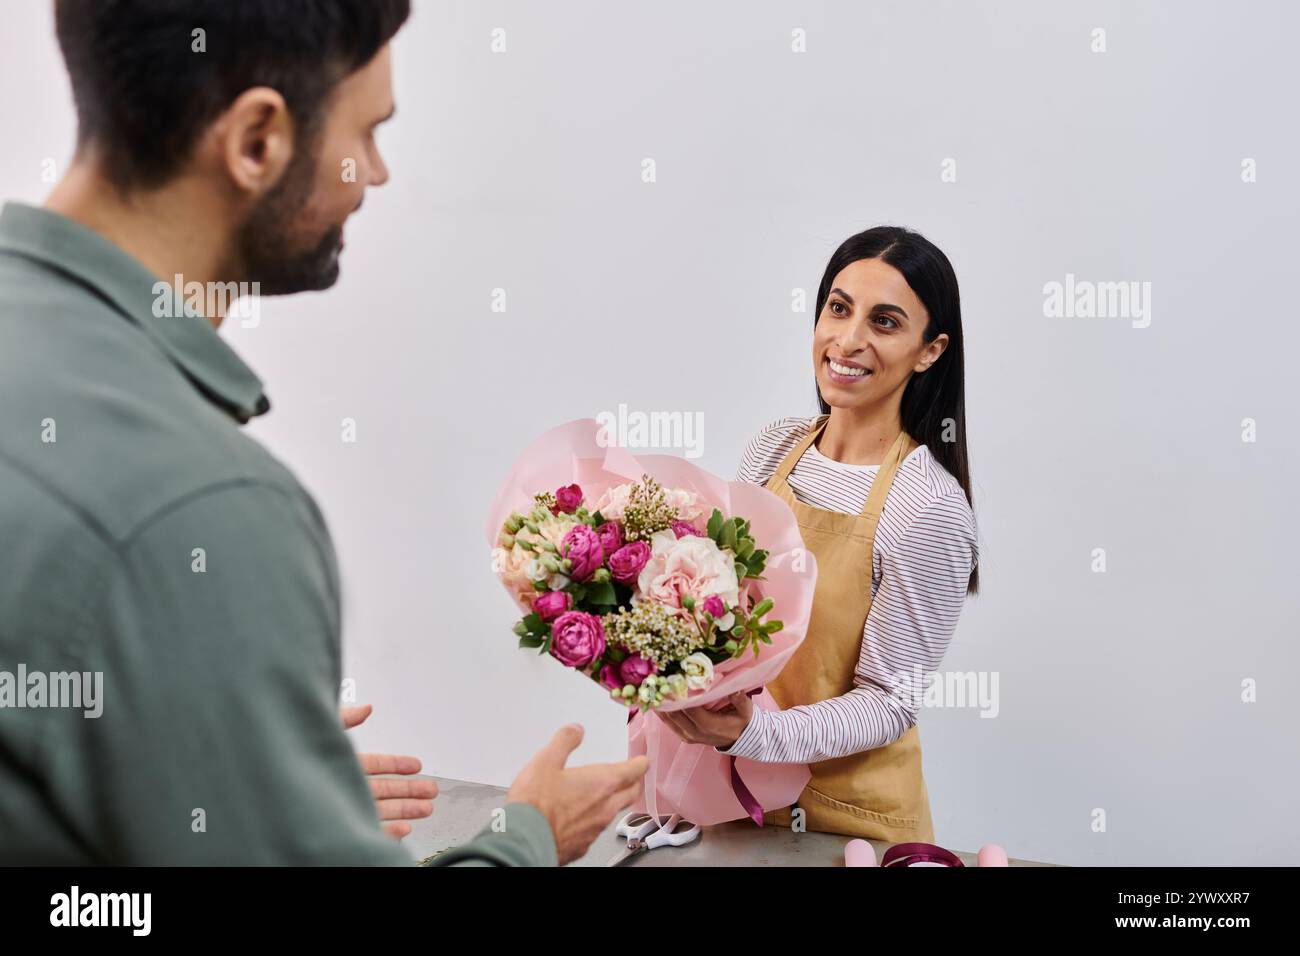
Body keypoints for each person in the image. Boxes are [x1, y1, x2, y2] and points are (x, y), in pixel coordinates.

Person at [0, 0, 646, 866]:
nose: (375, 173)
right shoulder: (202, 510)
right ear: (258, 140)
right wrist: (524, 834)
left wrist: (245, 781)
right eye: (368, 132)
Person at [660, 227, 979, 844]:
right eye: (839, 308)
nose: (849, 340)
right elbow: (716, 607)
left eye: (885, 322)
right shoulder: (774, 449)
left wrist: (751, 732)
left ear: (929, 350)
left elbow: (891, 701)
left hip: (846, 826)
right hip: (733, 795)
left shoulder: (928, 509)